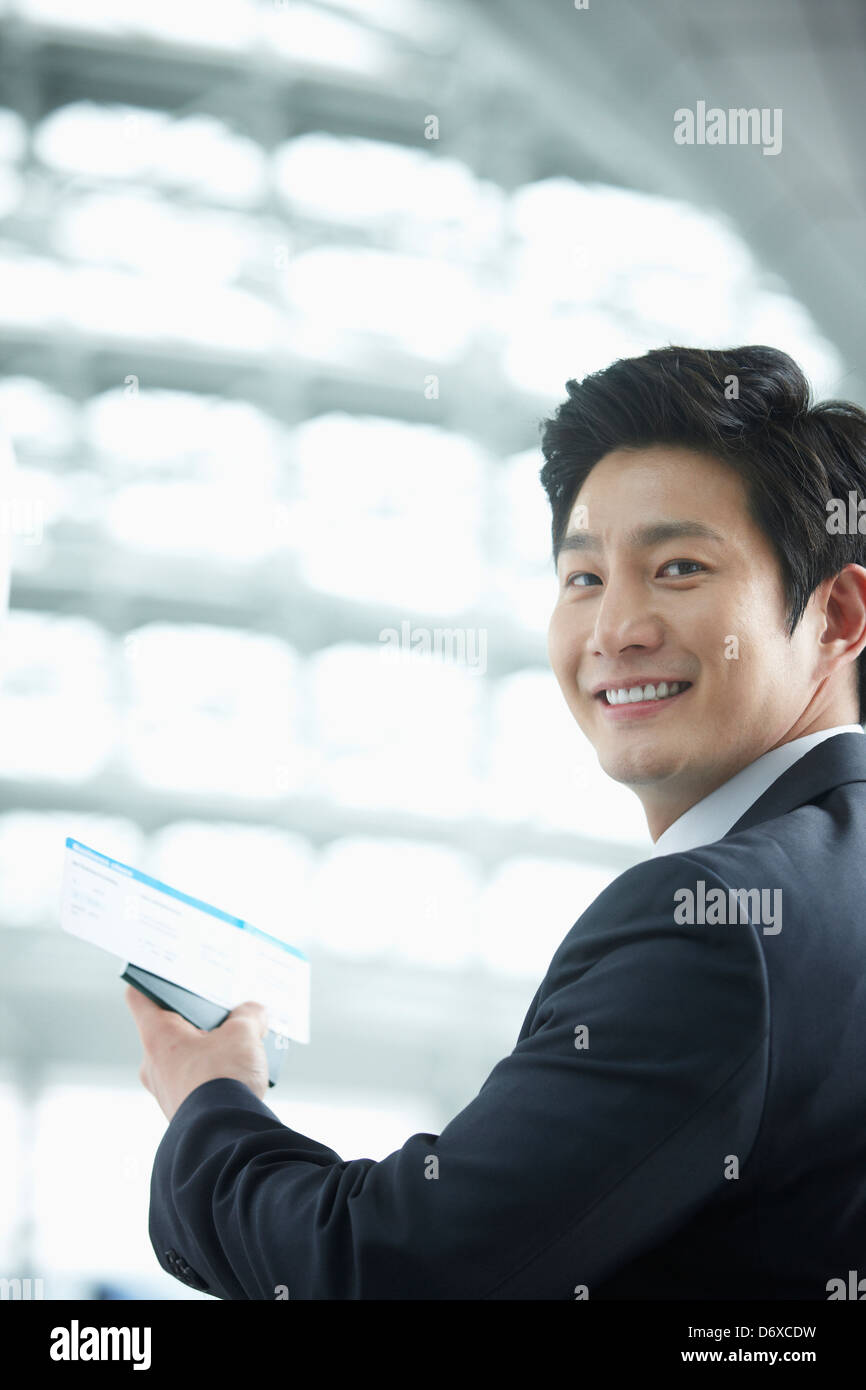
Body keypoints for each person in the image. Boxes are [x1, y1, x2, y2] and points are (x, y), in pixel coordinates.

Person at [128, 344, 866, 1299]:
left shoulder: (715, 920)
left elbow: (393, 1271)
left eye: (679, 567)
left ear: (838, 613)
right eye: (584, 578)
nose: (615, 630)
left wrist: (209, 1102)